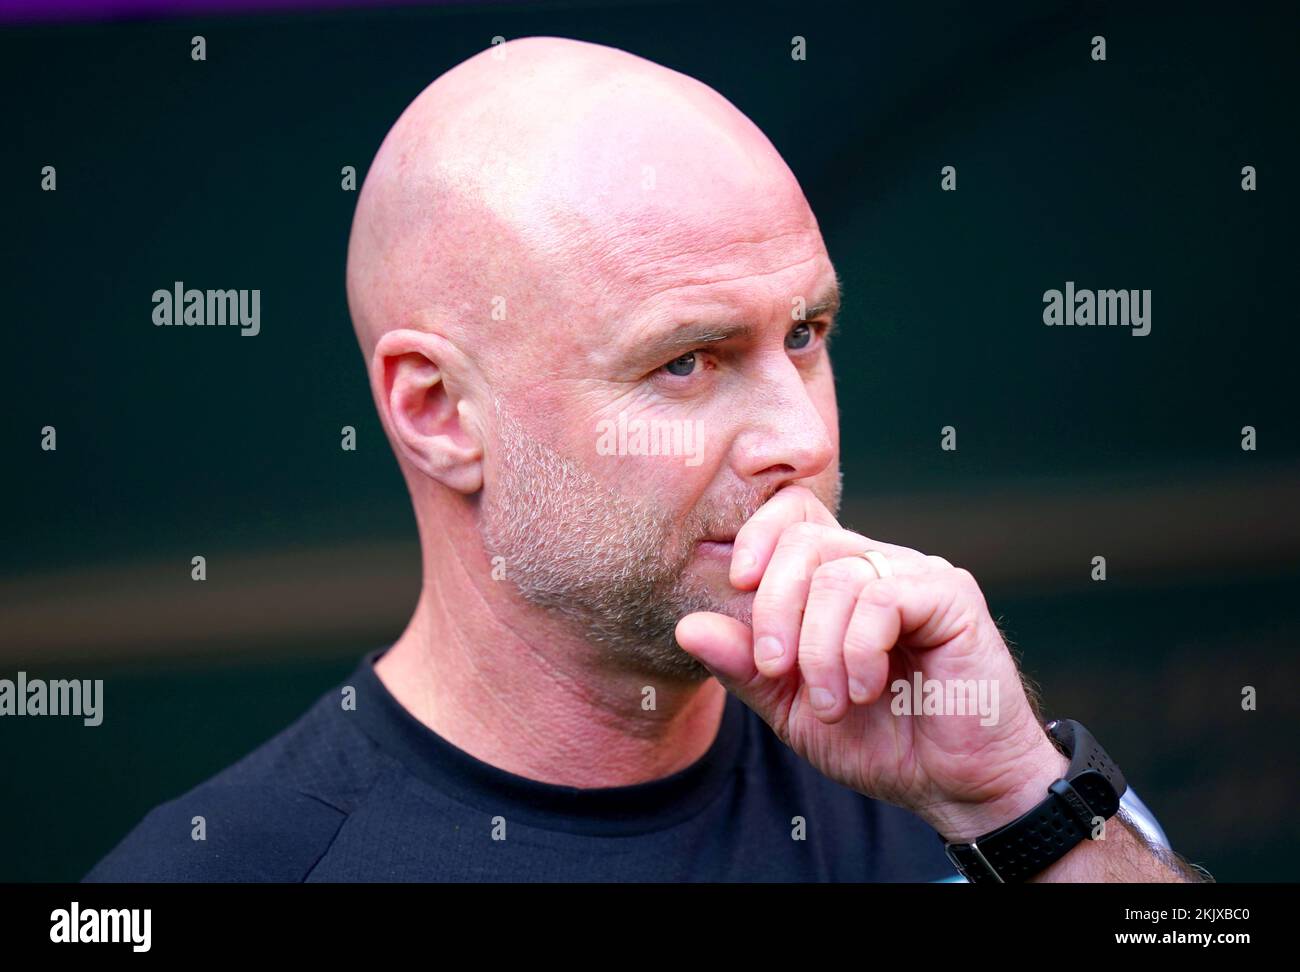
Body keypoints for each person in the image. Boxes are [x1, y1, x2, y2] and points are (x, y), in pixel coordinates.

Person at [86, 36, 1204, 883]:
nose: (800, 441)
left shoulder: (935, 777)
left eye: (804, 336)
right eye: (686, 362)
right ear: (438, 413)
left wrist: (1020, 799)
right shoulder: (222, 869)